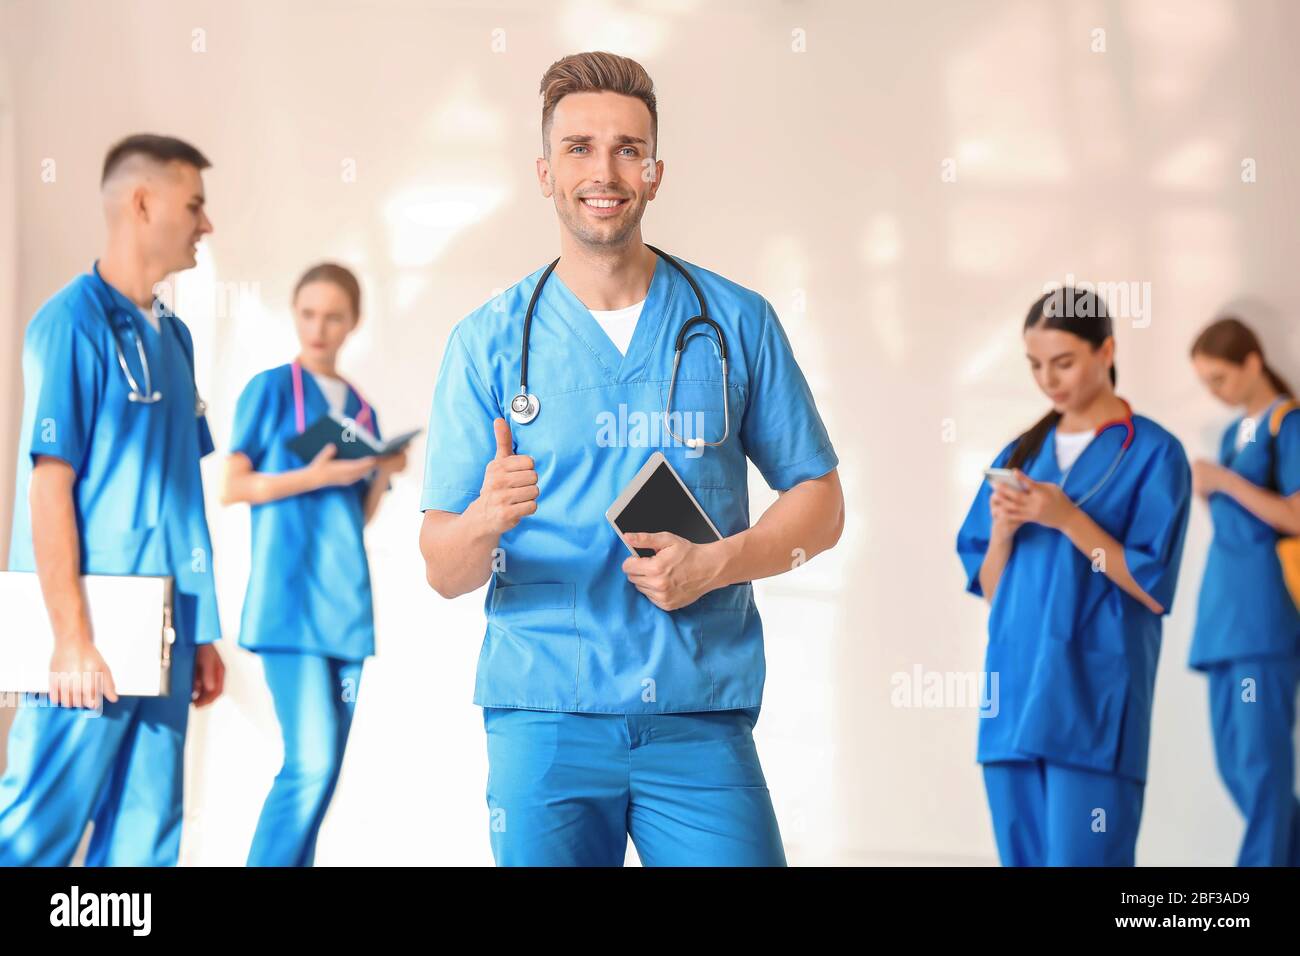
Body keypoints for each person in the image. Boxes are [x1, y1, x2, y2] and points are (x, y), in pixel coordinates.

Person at [418, 51, 844, 866]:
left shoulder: (737, 322)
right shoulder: (487, 343)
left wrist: (720, 562)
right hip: (544, 717)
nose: (603, 171)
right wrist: (481, 520)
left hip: (696, 712)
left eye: (626, 149)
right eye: (578, 148)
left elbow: (821, 505)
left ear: (655, 172)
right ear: (545, 173)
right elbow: (442, 569)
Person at [0, 134, 225, 865]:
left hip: (163, 634)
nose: (206, 224)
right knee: (36, 836)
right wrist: (69, 637)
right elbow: (48, 486)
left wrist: (203, 630)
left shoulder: (176, 337)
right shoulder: (69, 324)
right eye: (194, 205)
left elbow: (181, 496)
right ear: (142, 203)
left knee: (146, 840)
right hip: (86, 638)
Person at [955, 287, 1191, 866]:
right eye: (1035, 365)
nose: (1048, 379)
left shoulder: (1156, 454)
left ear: (1106, 350)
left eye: (1063, 362)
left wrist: (1067, 519)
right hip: (1012, 701)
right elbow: (992, 589)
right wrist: (1007, 531)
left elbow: (1152, 586)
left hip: (1092, 705)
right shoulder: (1020, 454)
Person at [222, 262, 407, 867]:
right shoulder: (270, 390)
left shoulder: (361, 409)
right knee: (312, 761)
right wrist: (318, 475)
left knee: (326, 775)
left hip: (343, 607)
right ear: (294, 314)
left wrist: (379, 472)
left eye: (333, 316)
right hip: (287, 603)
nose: (318, 328)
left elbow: (356, 519)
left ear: (353, 323)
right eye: (307, 314)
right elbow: (234, 485)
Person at [1187, 316, 1300, 866]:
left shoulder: (1290, 425)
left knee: (1261, 767)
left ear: (1252, 362)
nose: (1214, 393)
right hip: (1222, 617)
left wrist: (1225, 482)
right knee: (1234, 764)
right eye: (1205, 383)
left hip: (1263, 616)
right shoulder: (1235, 435)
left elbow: (1297, 515)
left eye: (1220, 379)